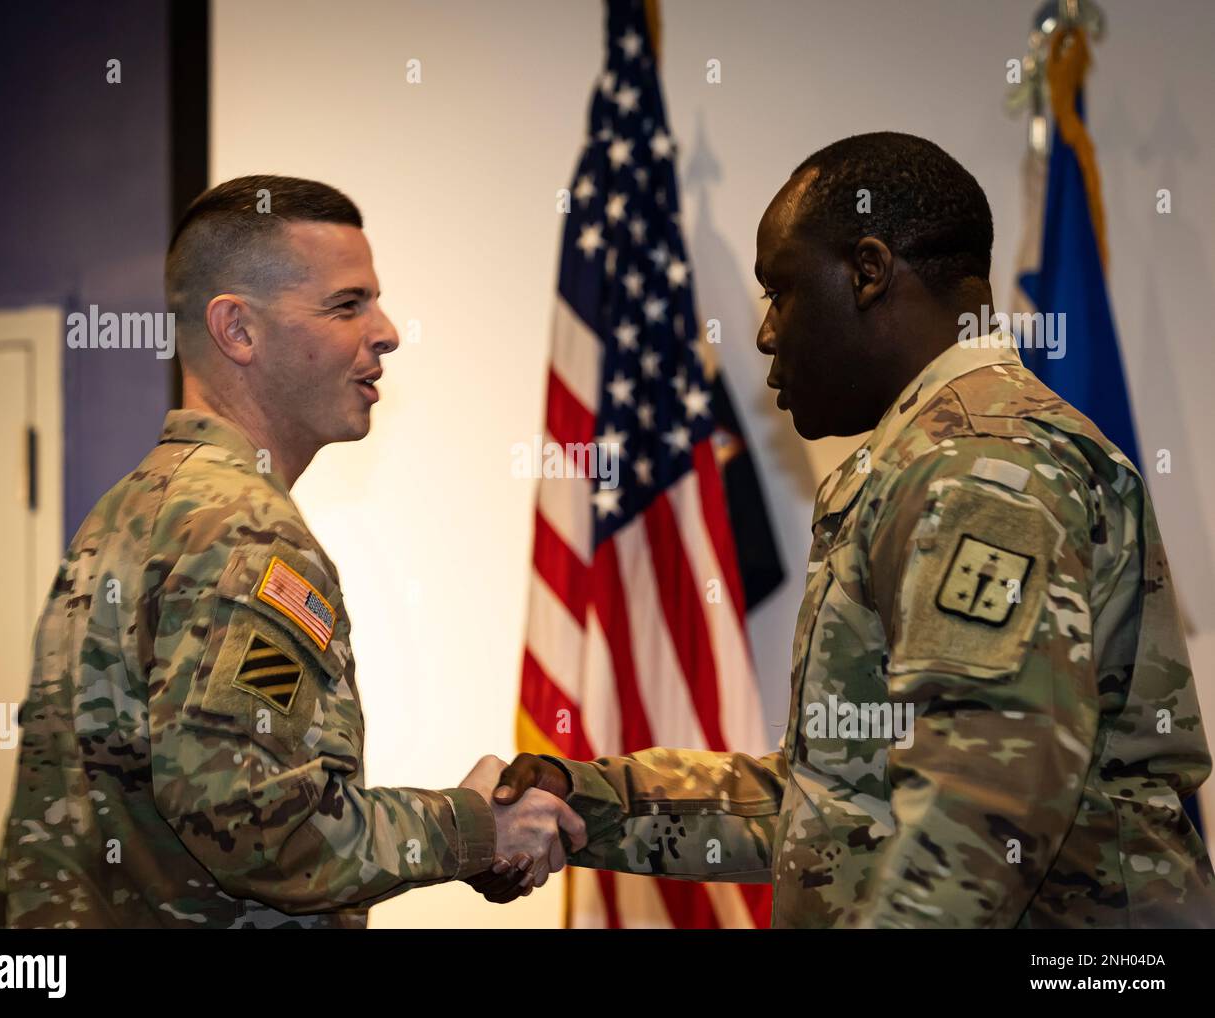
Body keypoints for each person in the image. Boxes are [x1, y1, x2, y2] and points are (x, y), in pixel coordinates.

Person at [492, 132, 1215, 928]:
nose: (767, 333)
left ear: (869, 273)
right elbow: (839, 803)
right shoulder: (928, 461)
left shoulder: (980, 466)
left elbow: (979, 809)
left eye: (782, 291)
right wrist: (587, 802)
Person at [0, 175, 581, 928]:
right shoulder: (247, 530)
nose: (388, 330)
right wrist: (472, 828)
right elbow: (257, 824)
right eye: (346, 304)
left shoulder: (130, 510)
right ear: (238, 330)